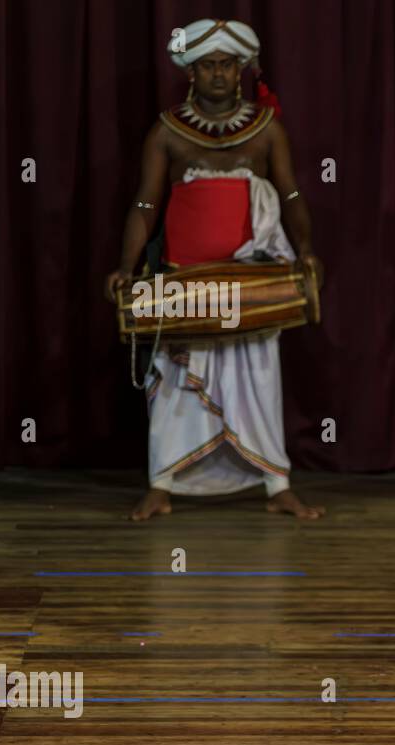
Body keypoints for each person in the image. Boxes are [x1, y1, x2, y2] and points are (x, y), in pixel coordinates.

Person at [103, 18, 324, 521]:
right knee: (175, 385)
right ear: (191, 73)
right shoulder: (167, 132)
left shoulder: (268, 131)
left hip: (254, 281)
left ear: (241, 70)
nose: (220, 74)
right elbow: (144, 205)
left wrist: (307, 251)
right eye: (209, 65)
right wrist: (125, 266)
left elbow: (290, 196)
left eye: (228, 64)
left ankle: (276, 485)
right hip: (185, 281)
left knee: (259, 380)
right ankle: (162, 484)